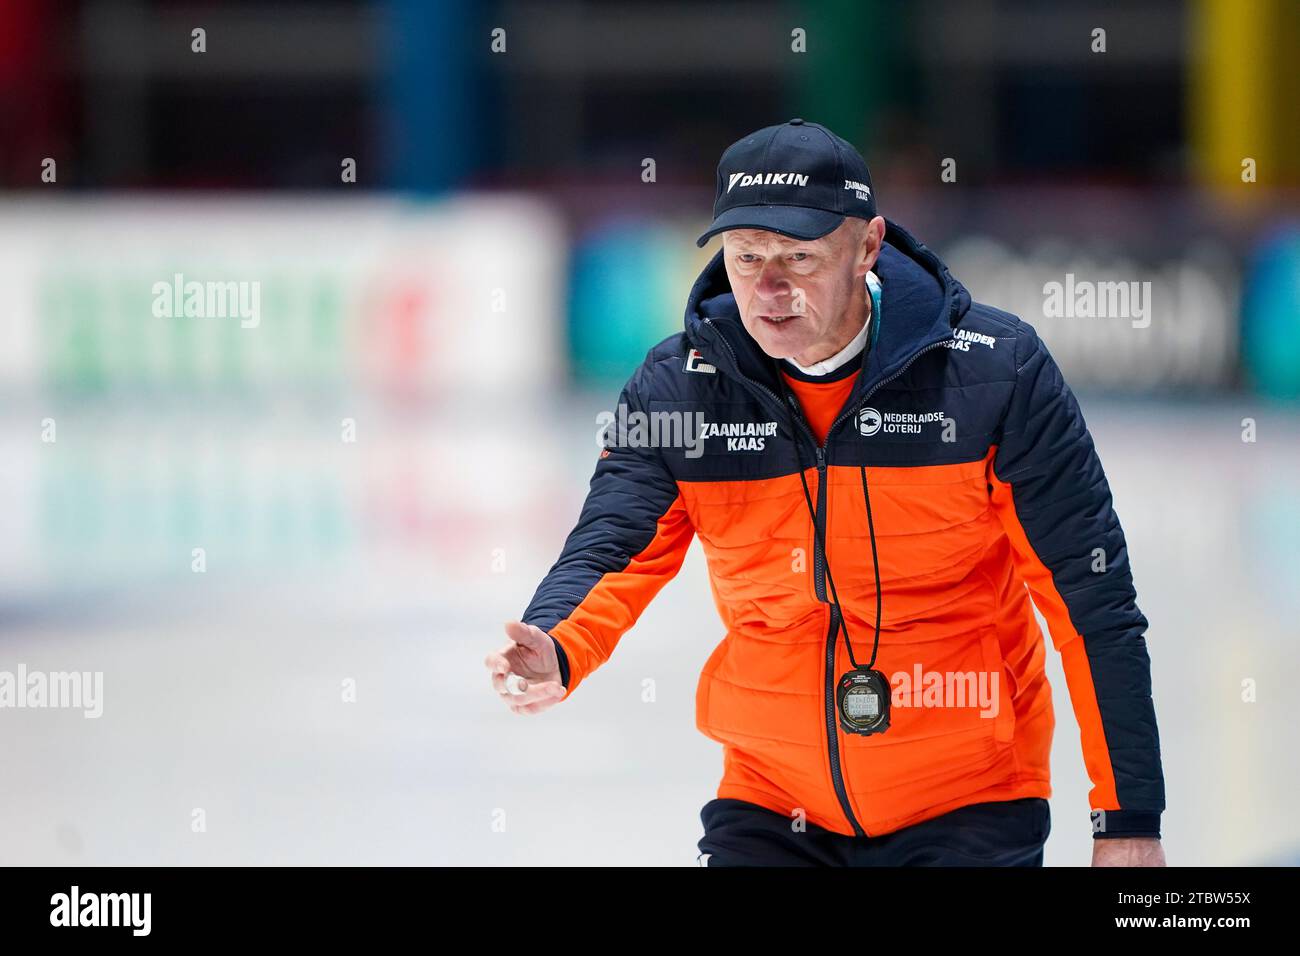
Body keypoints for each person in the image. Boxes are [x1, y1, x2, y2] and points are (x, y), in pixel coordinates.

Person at [486, 119, 1166, 867]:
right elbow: (615, 546)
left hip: (968, 801)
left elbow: (1091, 602)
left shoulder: (995, 376)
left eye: (798, 257)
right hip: (772, 802)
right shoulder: (679, 387)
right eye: (746, 258)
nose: (768, 289)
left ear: (868, 246)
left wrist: (1126, 820)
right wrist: (556, 641)